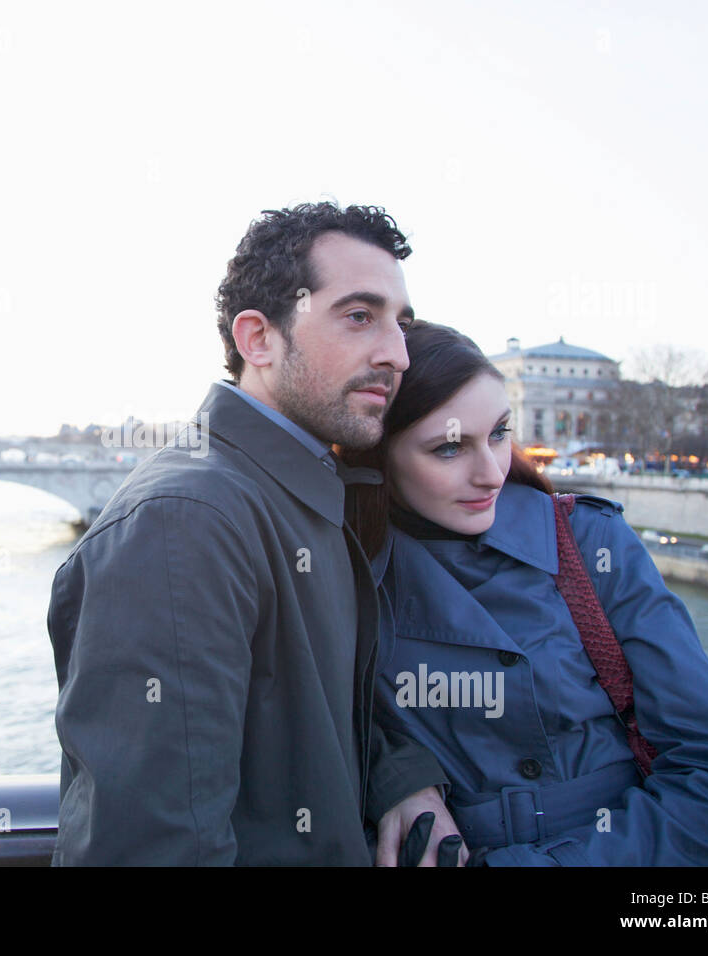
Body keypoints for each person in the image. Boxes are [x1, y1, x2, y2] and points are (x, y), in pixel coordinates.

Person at [47, 203, 465, 865]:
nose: (399, 355)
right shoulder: (185, 524)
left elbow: (313, 713)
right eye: (360, 317)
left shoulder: (297, 491)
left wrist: (398, 777)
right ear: (259, 339)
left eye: (400, 325)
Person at [339, 321, 708, 865]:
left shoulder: (591, 542)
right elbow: (319, 722)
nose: (491, 474)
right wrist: (396, 777)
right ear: (379, 459)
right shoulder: (343, 567)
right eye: (450, 449)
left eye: (500, 432)